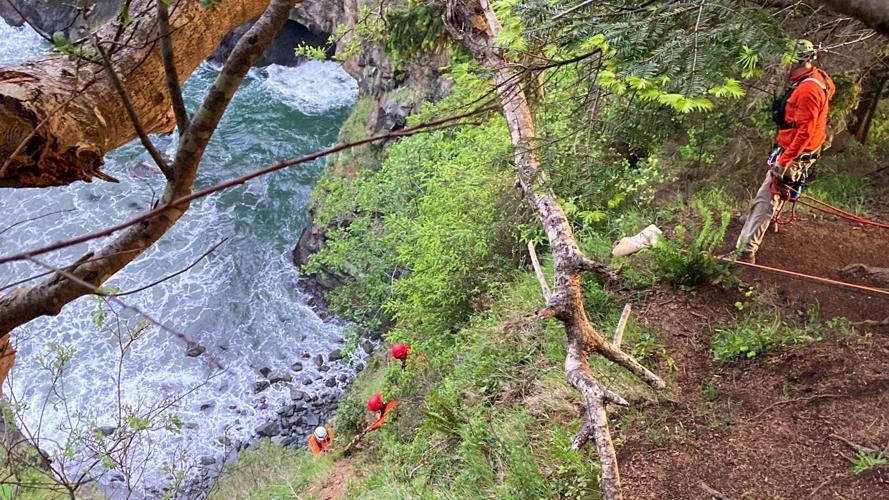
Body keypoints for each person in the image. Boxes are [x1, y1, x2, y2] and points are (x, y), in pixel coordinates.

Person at [734, 39, 835, 263]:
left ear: (796, 61)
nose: (782, 65)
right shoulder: (816, 78)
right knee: (772, 192)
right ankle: (758, 220)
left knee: (768, 195)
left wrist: (785, 160)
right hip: (794, 147)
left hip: (796, 152)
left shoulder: (809, 89)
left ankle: (745, 251)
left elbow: (805, 131)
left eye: (785, 61)